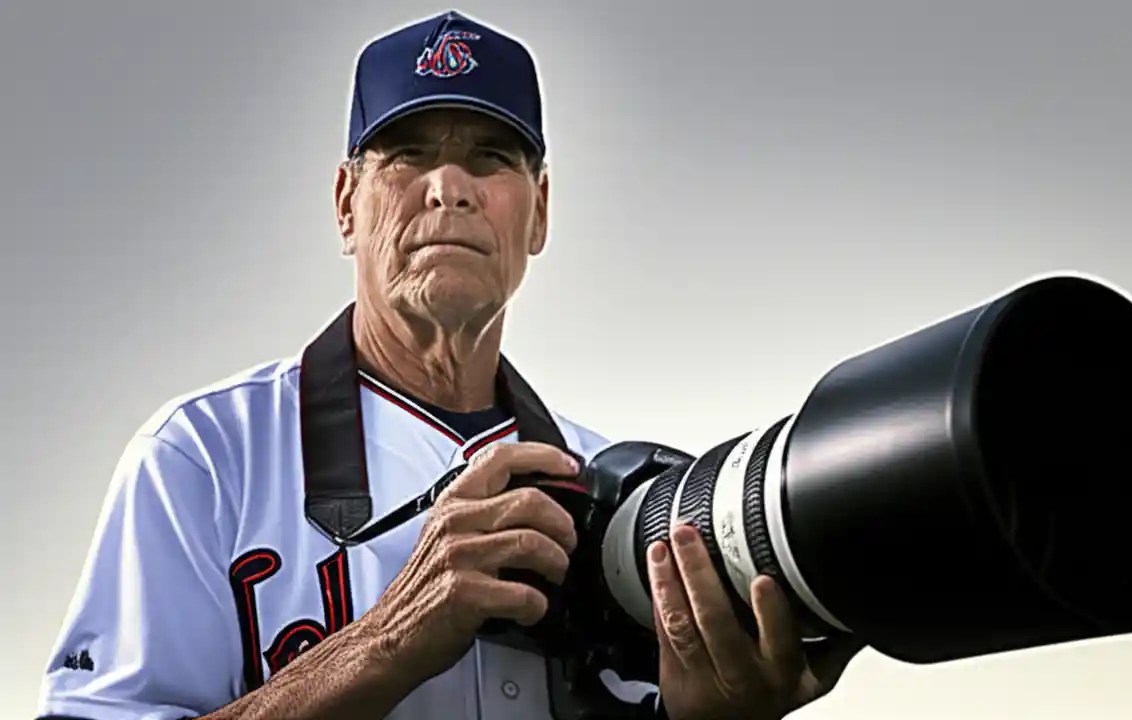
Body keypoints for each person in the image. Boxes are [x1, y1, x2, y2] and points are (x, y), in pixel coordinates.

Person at [35, 10, 857, 720]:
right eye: (407, 155)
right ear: (346, 204)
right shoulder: (205, 455)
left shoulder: (612, 499)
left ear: (539, 212)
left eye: (492, 157)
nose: (449, 188)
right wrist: (389, 637)